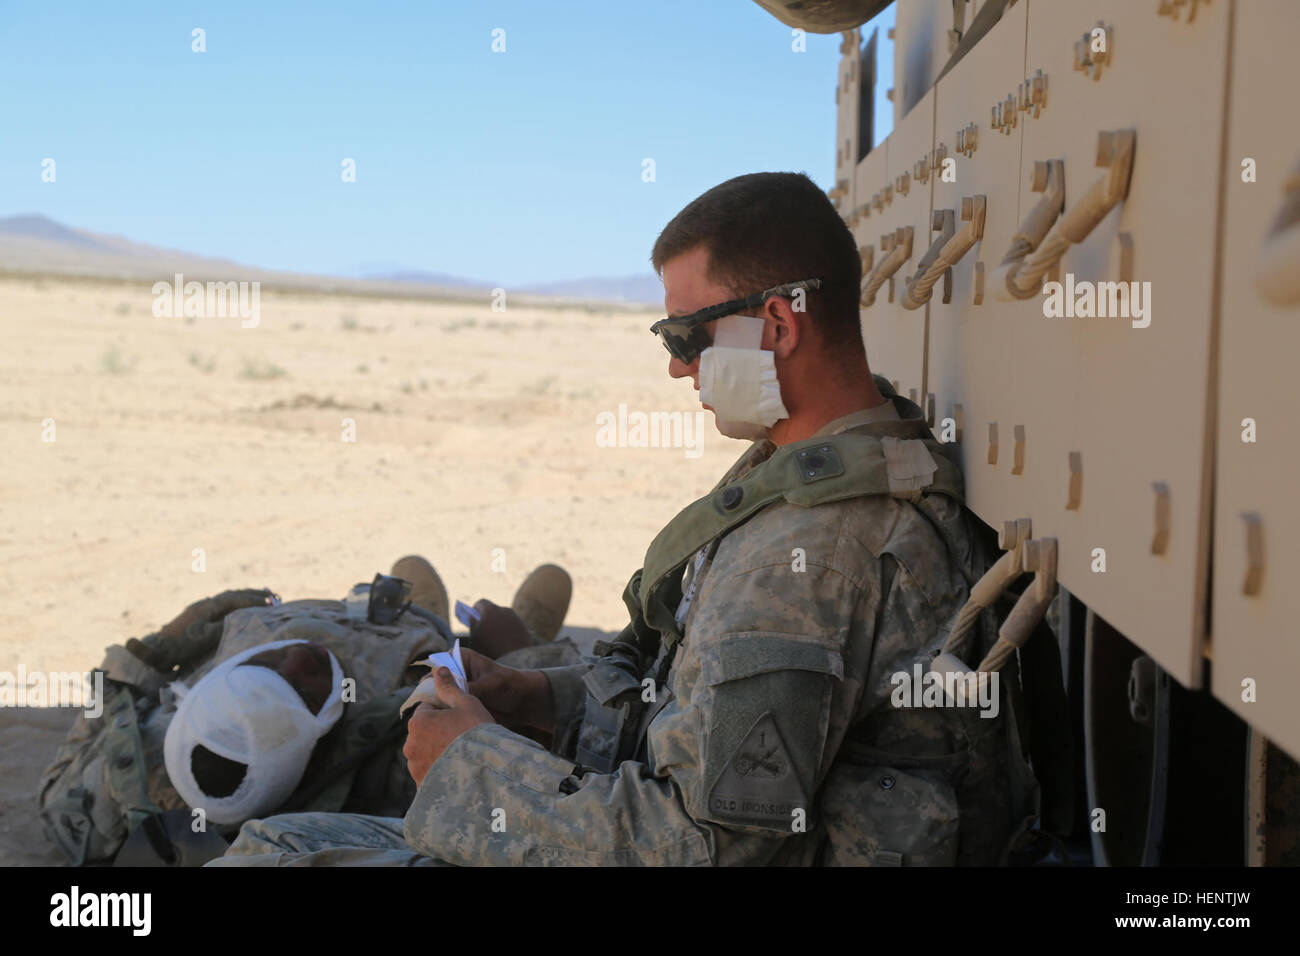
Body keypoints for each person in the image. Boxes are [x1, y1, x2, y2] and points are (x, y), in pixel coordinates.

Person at [211, 172, 1036, 867]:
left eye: (688, 333)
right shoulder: (832, 463)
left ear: (779, 324)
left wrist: (469, 767)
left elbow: (700, 846)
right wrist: (541, 697)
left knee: (277, 855)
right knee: (292, 838)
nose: (678, 365)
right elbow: (699, 709)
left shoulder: (812, 557)